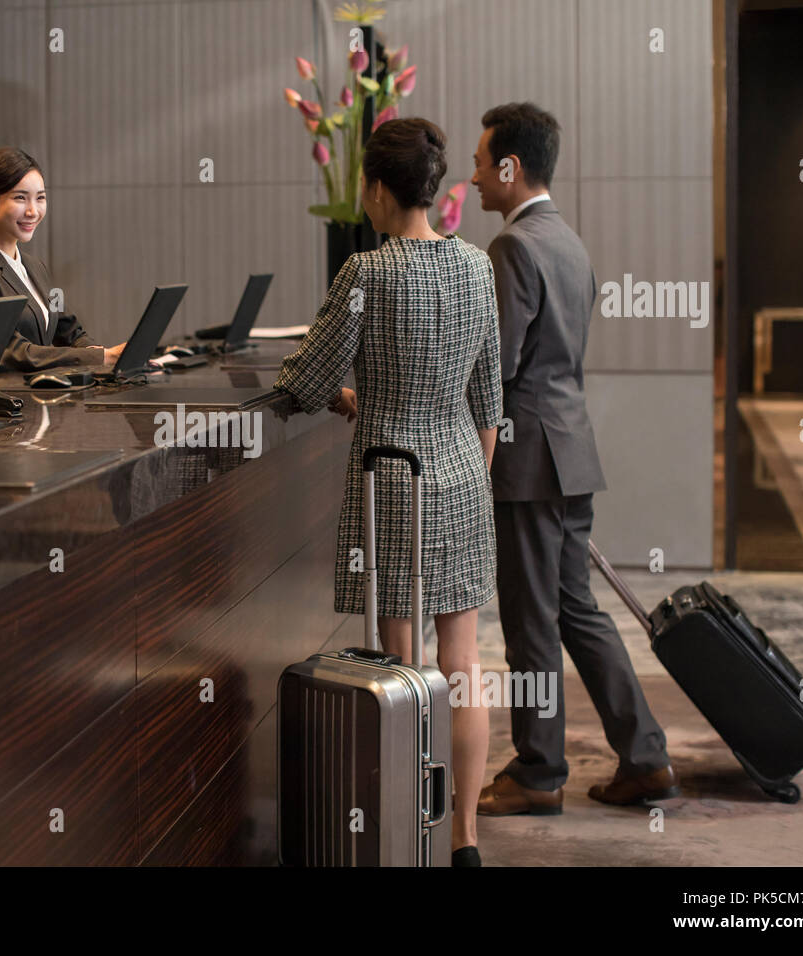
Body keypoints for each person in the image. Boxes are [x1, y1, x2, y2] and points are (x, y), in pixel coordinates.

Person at [275, 118, 503, 867]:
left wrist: (346, 396)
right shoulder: (475, 266)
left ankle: (409, 835)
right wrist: (468, 470)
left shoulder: (366, 272)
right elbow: (488, 399)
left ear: (376, 187)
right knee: (462, 663)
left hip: (392, 475)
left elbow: (305, 380)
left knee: (401, 666)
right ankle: (464, 836)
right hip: (464, 469)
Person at [469, 102, 677, 815]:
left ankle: (537, 773)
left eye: (478, 162)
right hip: (572, 451)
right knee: (575, 610)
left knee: (531, 619)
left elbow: (498, 368)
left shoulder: (513, 247)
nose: (470, 178)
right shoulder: (569, 242)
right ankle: (645, 756)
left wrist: (474, 453)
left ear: (510, 167)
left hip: (526, 462)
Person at [0, 147, 124, 372]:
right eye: (20, 198)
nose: (33, 211)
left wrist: (112, 359)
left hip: (43, 397)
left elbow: (69, 331)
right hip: (5, 403)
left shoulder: (34, 266)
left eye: (40, 198)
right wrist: (101, 357)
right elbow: (12, 351)